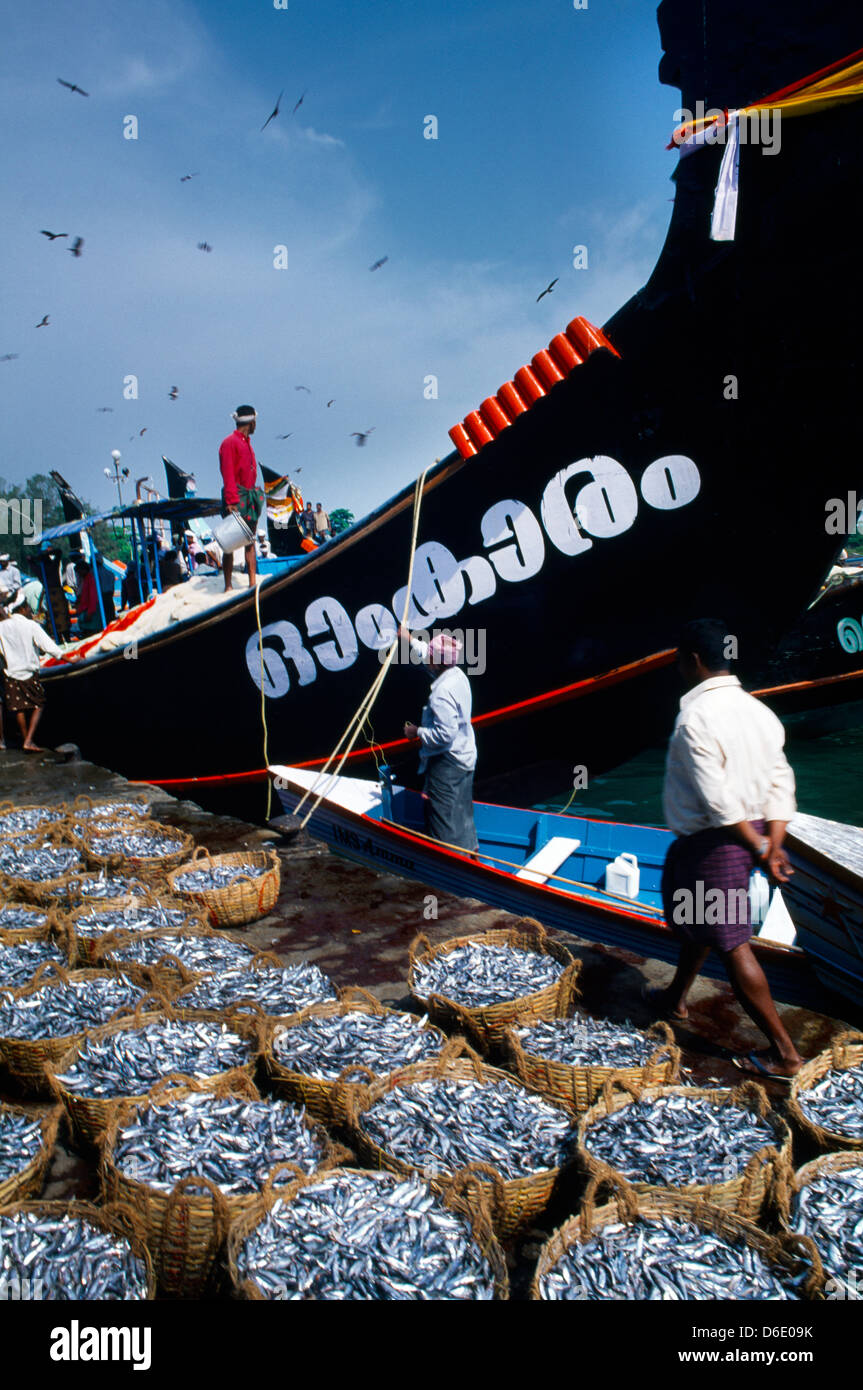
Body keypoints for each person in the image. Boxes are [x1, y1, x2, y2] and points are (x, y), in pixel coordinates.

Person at [648, 617, 803, 1081]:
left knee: (733, 943)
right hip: (745, 834)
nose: (678, 665)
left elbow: (717, 801)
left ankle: (787, 1055)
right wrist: (772, 842)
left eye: (679, 658)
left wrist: (758, 846)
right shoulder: (759, 711)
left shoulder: (696, 716)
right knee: (699, 922)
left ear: (693, 660)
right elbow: (780, 782)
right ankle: (675, 999)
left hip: (718, 842)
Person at [400, 624, 479, 853]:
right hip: (466, 755)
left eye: (431, 656)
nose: (428, 658)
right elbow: (429, 654)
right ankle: (470, 851)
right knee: (463, 814)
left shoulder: (441, 694)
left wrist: (417, 733)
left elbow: (445, 735)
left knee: (443, 820)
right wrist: (409, 639)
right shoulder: (457, 675)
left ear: (438, 661)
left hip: (448, 764)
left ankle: (448, 862)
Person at [0, 604, 77, 752]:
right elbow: (50, 647)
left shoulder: (2, 627)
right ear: (22, 609)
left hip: (11, 672)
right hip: (28, 671)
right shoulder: (30, 625)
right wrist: (70, 659)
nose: (31, 611)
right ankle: (29, 740)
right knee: (39, 704)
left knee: (18, 708)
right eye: (29, 608)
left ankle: (25, 739)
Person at [219, 405, 265, 592]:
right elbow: (228, 473)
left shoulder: (247, 443)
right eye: (255, 423)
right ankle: (228, 585)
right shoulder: (229, 442)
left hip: (249, 495)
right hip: (236, 497)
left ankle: (252, 582)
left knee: (250, 541)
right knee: (229, 544)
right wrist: (231, 501)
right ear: (251, 422)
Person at [74, 560, 101, 635]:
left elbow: (93, 597)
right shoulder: (85, 579)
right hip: (87, 610)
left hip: (91, 611)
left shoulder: (90, 579)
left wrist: (90, 612)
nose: (78, 574)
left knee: (92, 633)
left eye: (79, 571)